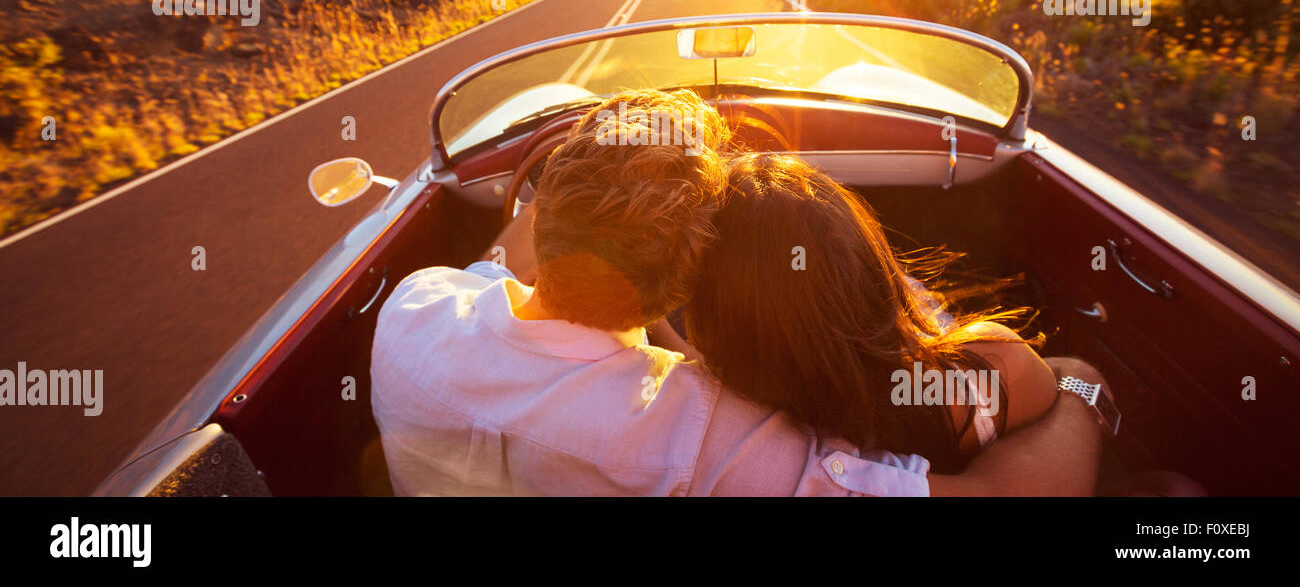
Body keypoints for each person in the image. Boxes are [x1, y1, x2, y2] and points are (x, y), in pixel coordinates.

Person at [370, 88, 1109, 495]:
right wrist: (1083, 389)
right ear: (683, 284)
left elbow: (500, 263)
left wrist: (593, 175)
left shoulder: (415, 310)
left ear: (555, 198)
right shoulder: (705, 438)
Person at [685, 151, 1058, 473]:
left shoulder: (719, 416)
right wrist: (1078, 382)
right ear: (870, 265)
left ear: (713, 319)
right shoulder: (986, 374)